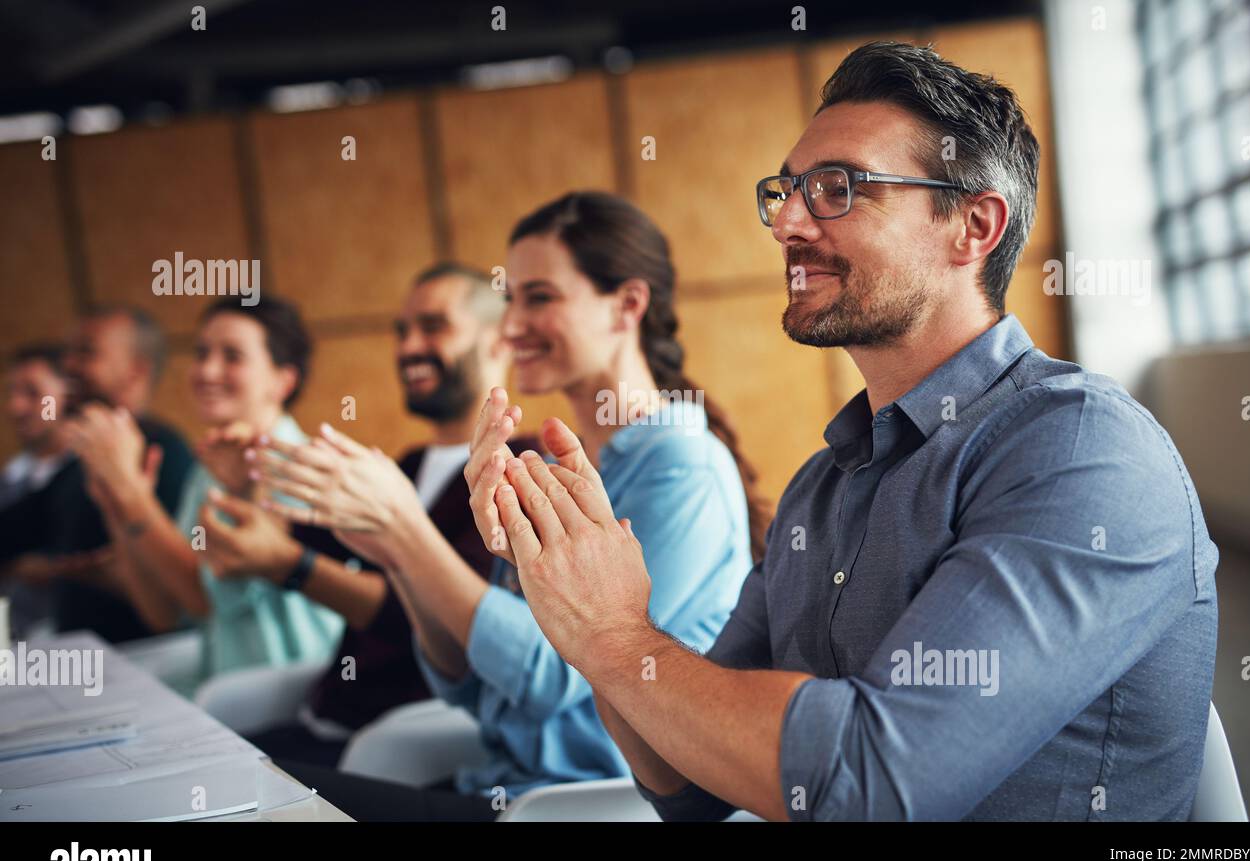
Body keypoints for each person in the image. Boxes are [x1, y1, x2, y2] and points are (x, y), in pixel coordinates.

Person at [468, 42, 1219, 822]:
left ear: (972, 226)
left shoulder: (1081, 451)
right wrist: (572, 597)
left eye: (837, 188)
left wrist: (620, 636)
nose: (786, 223)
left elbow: (874, 784)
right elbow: (682, 789)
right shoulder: (820, 490)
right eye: (786, 191)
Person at [253, 192, 765, 820]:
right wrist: (395, 552)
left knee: (270, 802)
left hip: (578, 805)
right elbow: (465, 683)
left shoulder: (684, 468)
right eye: (511, 299)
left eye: (540, 298)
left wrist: (410, 532)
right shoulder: (554, 466)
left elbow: (552, 679)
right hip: (499, 784)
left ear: (627, 305)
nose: (511, 325)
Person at [202, 264, 513, 768]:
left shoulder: (514, 469)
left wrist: (290, 567)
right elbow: (308, 533)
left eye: (433, 327)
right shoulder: (408, 465)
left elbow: (443, 624)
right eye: (402, 331)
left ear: (499, 343)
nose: (408, 346)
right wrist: (245, 481)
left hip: (392, 746)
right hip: (324, 719)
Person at [69, 296, 344, 694]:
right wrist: (115, 500)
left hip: (288, 694)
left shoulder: (295, 468)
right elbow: (164, 613)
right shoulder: (207, 468)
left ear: (284, 380)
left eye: (232, 356)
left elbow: (203, 599)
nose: (207, 371)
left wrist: (132, 496)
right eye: (201, 354)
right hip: (229, 683)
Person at [0, 307, 194, 643]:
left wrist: (119, 573)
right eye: (69, 352)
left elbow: (188, 596)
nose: (69, 365)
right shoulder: (78, 464)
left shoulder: (169, 455)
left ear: (136, 371)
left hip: (153, 659)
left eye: (86, 352)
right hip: (85, 657)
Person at [0, 345, 73, 637]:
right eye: (10, 393)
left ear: (68, 394)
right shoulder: (9, 479)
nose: (15, 407)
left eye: (32, 393)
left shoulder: (89, 476)